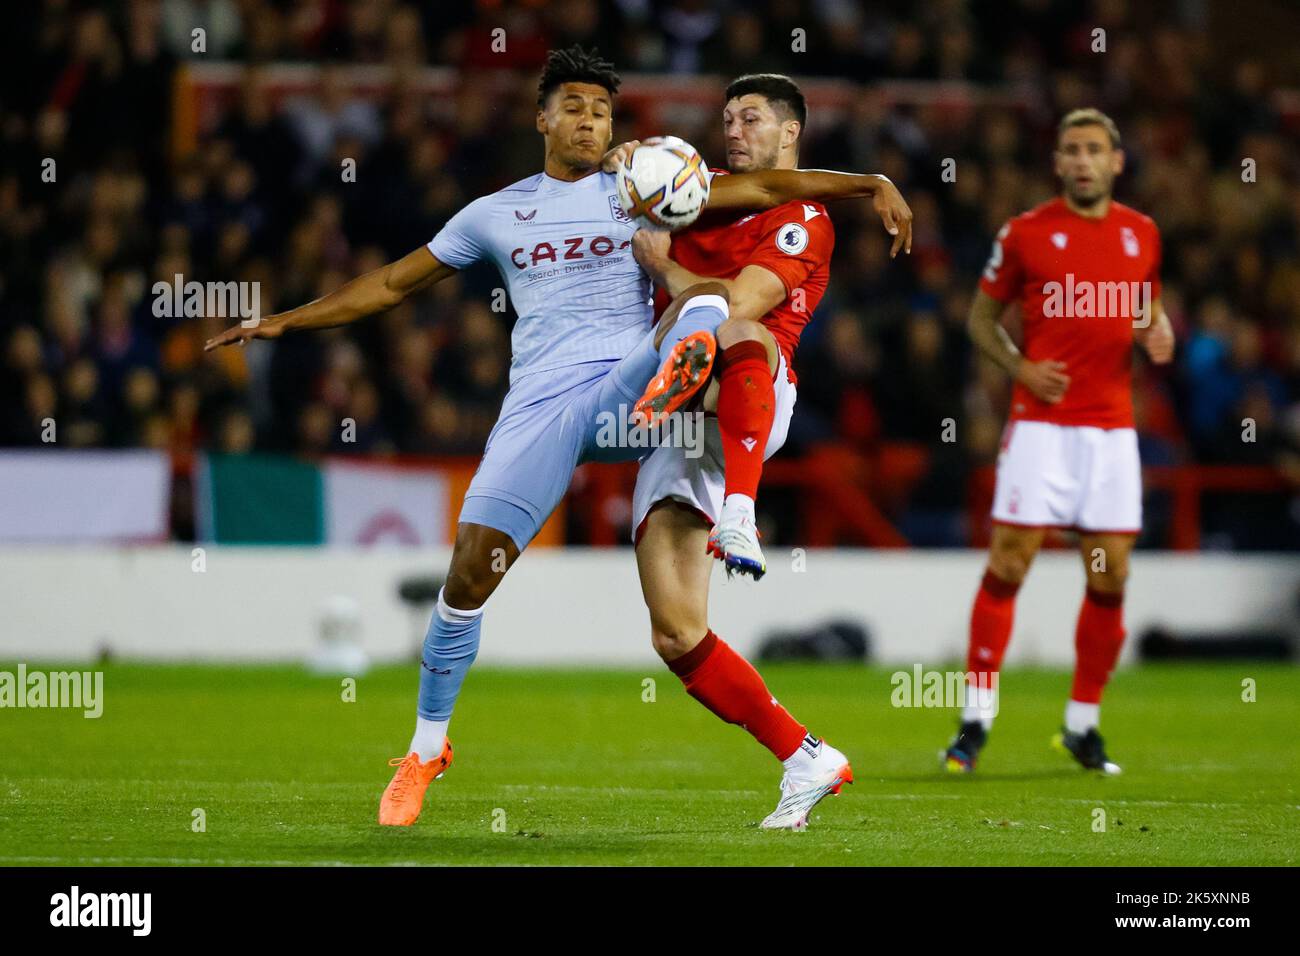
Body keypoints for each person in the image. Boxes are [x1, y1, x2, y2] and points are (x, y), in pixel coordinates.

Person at [205, 46, 913, 827]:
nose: (590, 120)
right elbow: (393, 284)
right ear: (542, 118)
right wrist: (285, 320)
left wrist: (868, 183)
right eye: (573, 106)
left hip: (629, 384)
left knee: (711, 307)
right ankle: (426, 747)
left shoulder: (644, 188)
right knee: (472, 579)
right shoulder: (493, 214)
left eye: (603, 110)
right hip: (542, 406)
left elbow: (774, 186)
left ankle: (688, 407)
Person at [617, 73, 911, 828]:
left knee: (727, 322)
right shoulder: (694, 189)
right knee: (675, 631)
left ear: (789, 133)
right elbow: (627, 176)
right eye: (726, 118)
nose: (733, 130)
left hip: (756, 386)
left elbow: (742, 304)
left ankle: (741, 515)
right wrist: (617, 162)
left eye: (750, 118)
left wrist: (664, 269)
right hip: (687, 426)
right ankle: (806, 756)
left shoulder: (802, 216)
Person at [942, 108, 1175, 775]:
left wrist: (1159, 333)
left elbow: (1148, 313)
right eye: (1070, 149)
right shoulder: (1026, 234)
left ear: (1116, 161)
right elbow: (979, 320)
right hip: (1042, 431)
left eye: (1093, 149)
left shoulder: (1141, 235)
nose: (1081, 160)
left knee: (1108, 574)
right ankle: (976, 718)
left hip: (1108, 437)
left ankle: (1082, 723)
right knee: (1011, 562)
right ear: (1058, 162)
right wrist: (1020, 367)